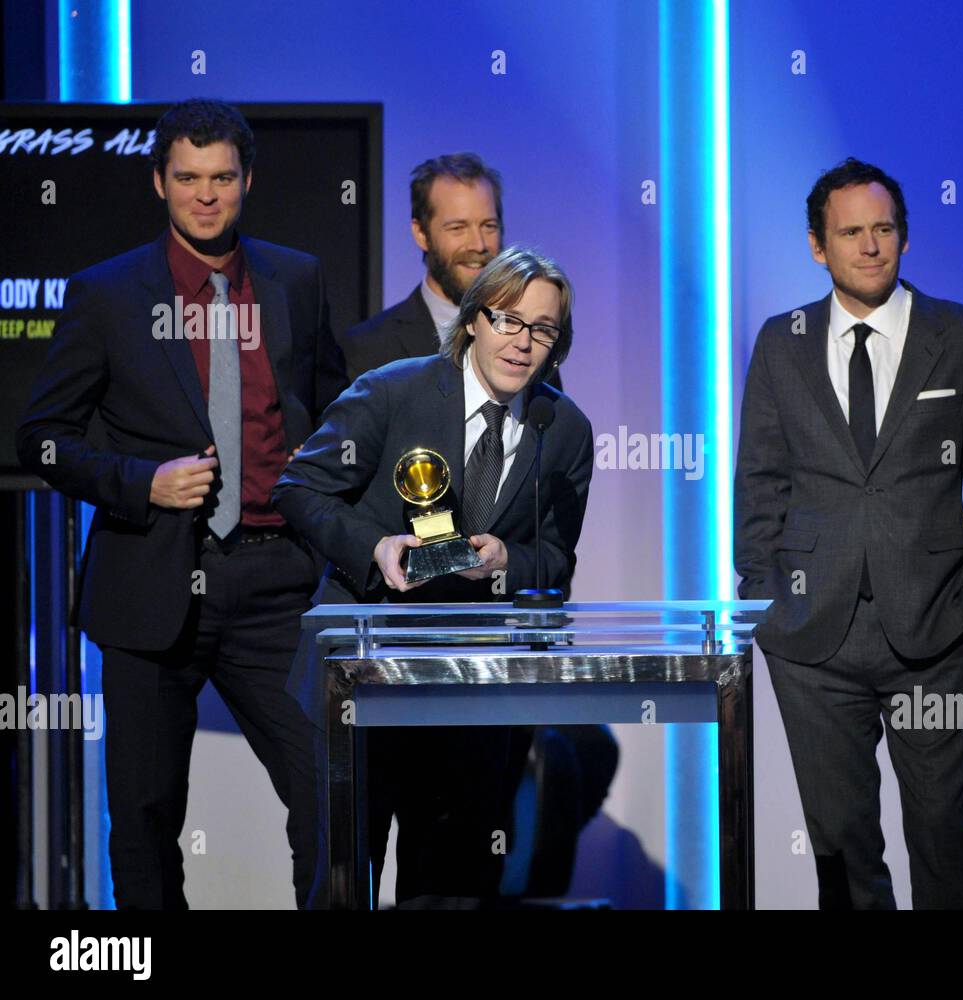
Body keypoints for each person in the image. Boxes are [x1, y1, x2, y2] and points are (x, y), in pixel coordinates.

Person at [16, 98, 346, 909]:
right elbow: (43, 437)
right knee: (144, 820)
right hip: (153, 579)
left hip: (276, 584)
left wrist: (327, 458)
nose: (206, 195)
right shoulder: (106, 294)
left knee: (331, 798)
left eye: (222, 178)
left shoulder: (294, 279)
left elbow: (338, 406)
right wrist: (143, 482)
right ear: (159, 180)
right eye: (189, 178)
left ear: (247, 181)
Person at [734, 158, 963, 909]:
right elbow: (759, 483)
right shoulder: (782, 341)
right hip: (813, 640)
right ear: (816, 245)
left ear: (903, 236)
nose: (870, 246)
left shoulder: (960, 335)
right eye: (851, 232)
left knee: (943, 840)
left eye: (884, 229)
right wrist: (766, 601)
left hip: (936, 632)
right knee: (841, 848)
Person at [273, 245, 593, 906]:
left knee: (445, 889)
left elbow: (557, 559)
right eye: (508, 320)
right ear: (475, 318)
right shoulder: (395, 390)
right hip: (360, 677)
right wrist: (376, 549)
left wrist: (509, 559)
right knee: (340, 885)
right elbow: (299, 487)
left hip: (470, 692)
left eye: (543, 329)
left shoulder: (562, 429)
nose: (523, 342)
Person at [338, 152, 560, 391]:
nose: (478, 244)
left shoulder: (530, 339)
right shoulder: (369, 347)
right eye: (458, 228)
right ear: (421, 233)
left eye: (489, 226)